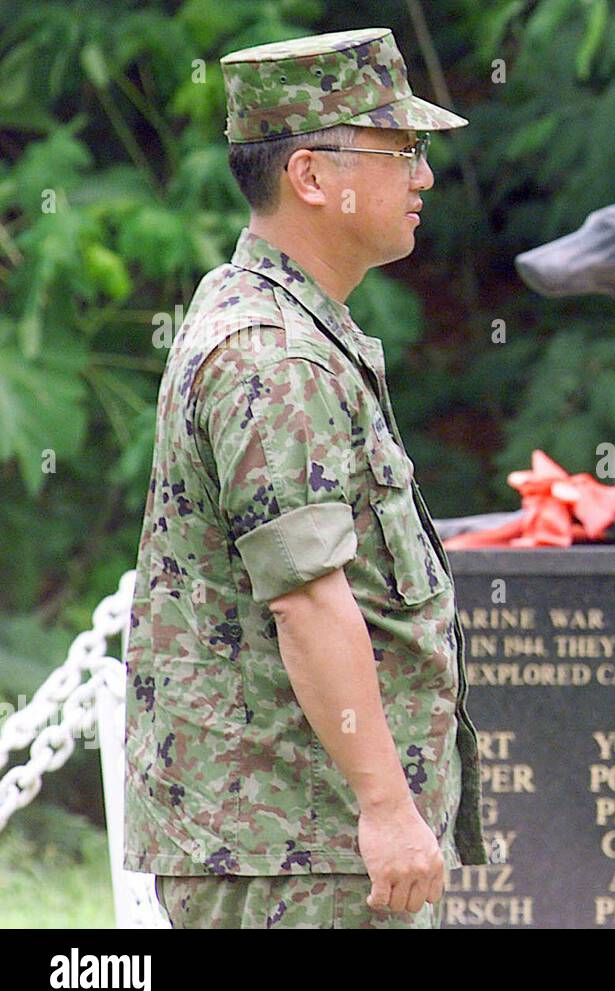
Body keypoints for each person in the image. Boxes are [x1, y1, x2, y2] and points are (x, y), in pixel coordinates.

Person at [122, 27, 486, 929]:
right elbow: (310, 601)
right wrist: (388, 808)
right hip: (294, 848)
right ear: (312, 178)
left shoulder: (283, 327)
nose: (423, 177)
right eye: (400, 150)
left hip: (301, 840)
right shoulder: (270, 356)